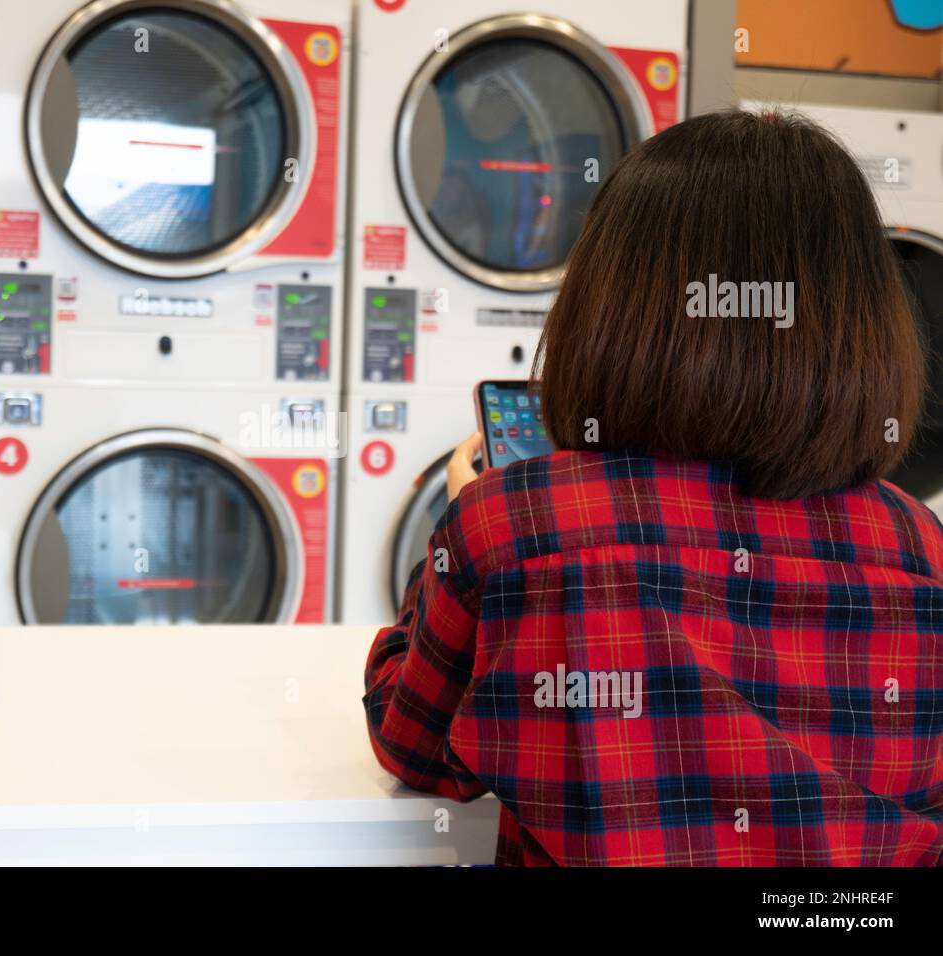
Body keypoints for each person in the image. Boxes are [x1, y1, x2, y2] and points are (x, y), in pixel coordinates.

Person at [363, 109, 943, 866]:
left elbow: (414, 744)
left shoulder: (517, 522)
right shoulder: (921, 548)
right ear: (864, 323)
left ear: (605, 310)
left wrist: (453, 535)